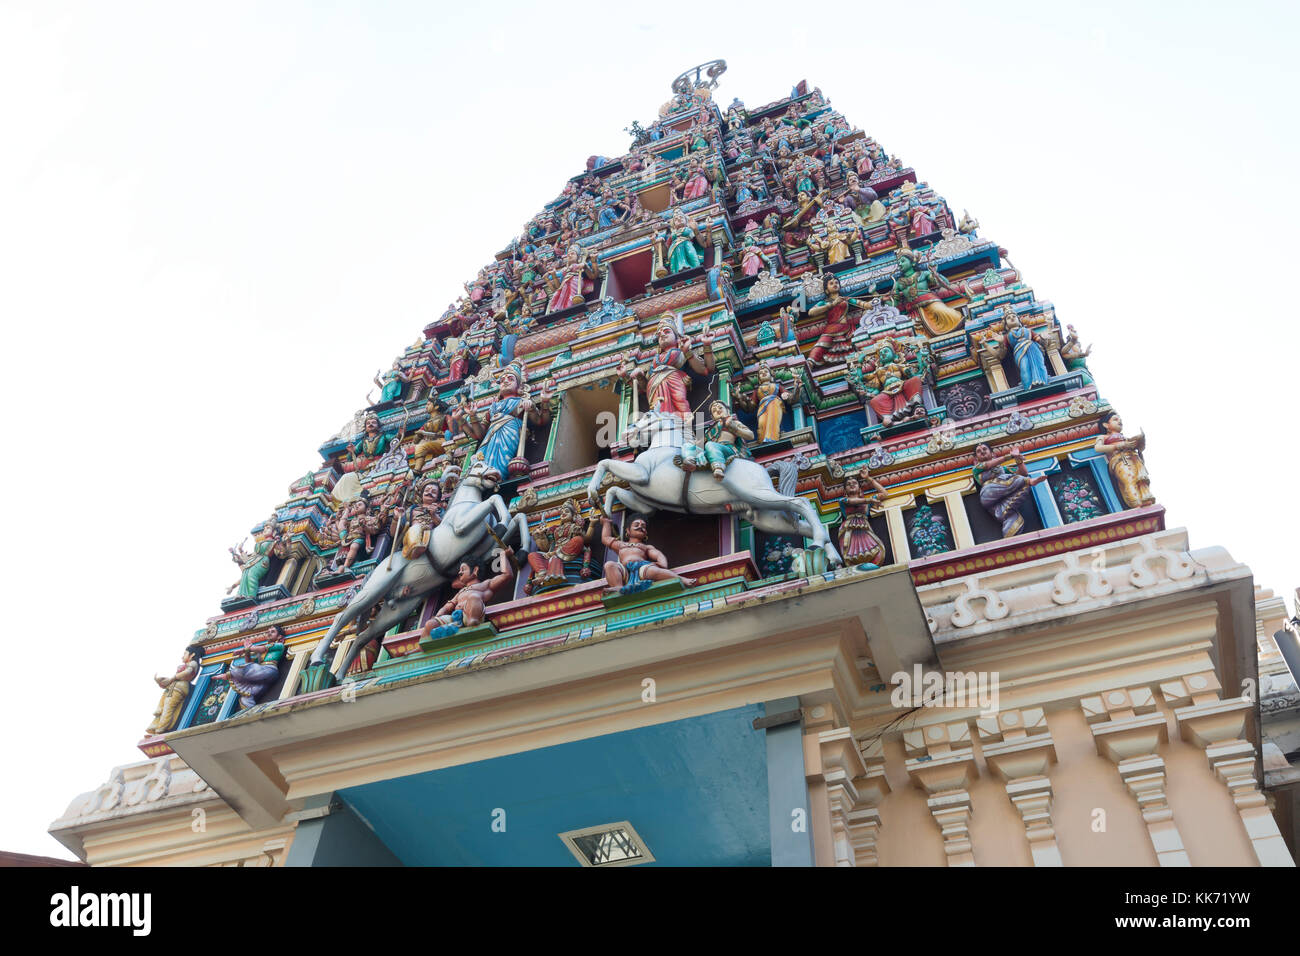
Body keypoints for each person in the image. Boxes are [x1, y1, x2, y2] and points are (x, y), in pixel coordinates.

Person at [420, 548, 516, 637]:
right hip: (455, 618)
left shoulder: (484, 585)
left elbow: (507, 575)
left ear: (475, 570)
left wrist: (503, 556)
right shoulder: (460, 592)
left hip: (471, 616)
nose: (459, 572)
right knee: (430, 624)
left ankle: (471, 624)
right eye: (460, 570)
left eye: (463, 569)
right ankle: (421, 647)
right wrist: (437, 616)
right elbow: (448, 606)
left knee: (474, 597)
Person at [600, 516, 696, 594]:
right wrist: (606, 523)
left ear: (645, 533)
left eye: (643, 526)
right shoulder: (621, 545)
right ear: (628, 531)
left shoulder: (645, 547)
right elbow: (605, 538)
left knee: (653, 571)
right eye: (636, 525)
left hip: (642, 568)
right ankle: (618, 586)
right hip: (625, 571)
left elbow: (659, 555)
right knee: (609, 565)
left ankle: (683, 580)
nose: (640, 527)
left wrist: (661, 564)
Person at [971, 443, 1047, 537]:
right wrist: (1009, 456)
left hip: (998, 502)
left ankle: (1010, 538)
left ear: (993, 454)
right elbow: (987, 465)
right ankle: (1030, 481)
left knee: (1013, 518)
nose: (982, 451)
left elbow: (1023, 473)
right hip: (989, 492)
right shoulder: (976, 469)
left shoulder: (1002, 469)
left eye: (984, 449)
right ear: (976, 459)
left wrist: (1018, 458)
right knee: (1016, 479)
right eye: (979, 451)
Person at [1093, 412, 1155, 508]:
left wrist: (1140, 445)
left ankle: (1145, 500)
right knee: (1130, 480)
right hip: (1120, 460)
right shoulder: (1104, 437)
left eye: (1120, 419)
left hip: (1134, 458)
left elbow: (1138, 449)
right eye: (1115, 419)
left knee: (1140, 480)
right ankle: (1136, 504)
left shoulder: (1125, 438)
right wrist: (1119, 445)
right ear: (1106, 425)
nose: (1119, 421)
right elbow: (1098, 448)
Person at [146, 645, 203, 736]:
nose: (182, 656)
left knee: (168, 709)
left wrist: (171, 679)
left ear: (192, 655)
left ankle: (159, 731)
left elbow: (188, 672)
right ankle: (155, 728)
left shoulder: (193, 663)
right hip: (174, 687)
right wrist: (163, 682)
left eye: (185, 654)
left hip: (180, 687)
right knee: (163, 708)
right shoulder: (188, 664)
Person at [838, 472, 888, 566]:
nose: (852, 485)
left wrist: (868, 478)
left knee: (875, 549)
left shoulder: (867, 502)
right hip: (849, 529)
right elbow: (851, 501)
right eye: (848, 484)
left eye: (854, 483)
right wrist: (869, 500)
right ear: (845, 491)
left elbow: (884, 493)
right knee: (850, 551)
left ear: (860, 488)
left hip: (864, 527)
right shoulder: (843, 501)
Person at [1004, 309, 1050, 388]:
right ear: (1006, 324)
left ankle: (1041, 380)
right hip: (1019, 352)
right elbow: (1000, 354)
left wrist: (1046, 336)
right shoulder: (1007, 336)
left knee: (1038, 364)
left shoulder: (1028, 331)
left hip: (1033, 348)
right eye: (1008, 318)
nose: (1012, 318)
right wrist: (988, 344)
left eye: (1014, 316)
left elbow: (1042, 343)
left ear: (1019, 320)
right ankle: (1028, 386)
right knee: (1024, 367)